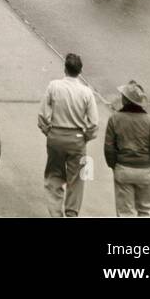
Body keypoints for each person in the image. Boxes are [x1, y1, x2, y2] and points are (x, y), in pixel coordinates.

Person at [37, 52, 98, 218]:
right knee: (76, 179)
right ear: (80, 71)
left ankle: (56, 213)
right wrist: (86, 137)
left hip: (56, 136)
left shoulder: (53, 86)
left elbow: (43, 115)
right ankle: (71, 213)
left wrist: (48, 131)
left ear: (65, 68)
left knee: (54, 176)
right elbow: (93, 122)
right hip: (77, 139)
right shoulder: (86, 92)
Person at [103, 80, 150, 217]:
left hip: (123, 169)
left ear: (125, 100)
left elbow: (109, 148)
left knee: (125, 213)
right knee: (146, 211)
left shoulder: (115, 119)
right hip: (146, 171)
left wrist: (114, 166)